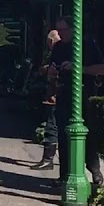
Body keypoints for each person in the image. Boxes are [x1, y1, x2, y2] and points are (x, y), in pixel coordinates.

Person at [46, 16, 104, 190]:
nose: (60, 33)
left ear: (73, 29)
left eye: (63, 30)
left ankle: (94, 169)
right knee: (64, 134)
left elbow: (101, 69)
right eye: (58, 30)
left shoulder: (86, 44)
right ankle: (64, 174)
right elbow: (52, 66)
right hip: (64, 92)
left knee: (87, 132)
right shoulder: (58, 47)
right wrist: (51, 71)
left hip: (84, 92)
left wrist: (78, 68)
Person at [32, 29, 63, 170]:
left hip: (55, 95)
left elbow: (54, 70)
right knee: (52, 125)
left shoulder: (58, 51)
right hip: (54, 94)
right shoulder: (60, 51)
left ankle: (48, 160)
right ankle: (47, 159)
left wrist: (47, 70)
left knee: (52, 126)